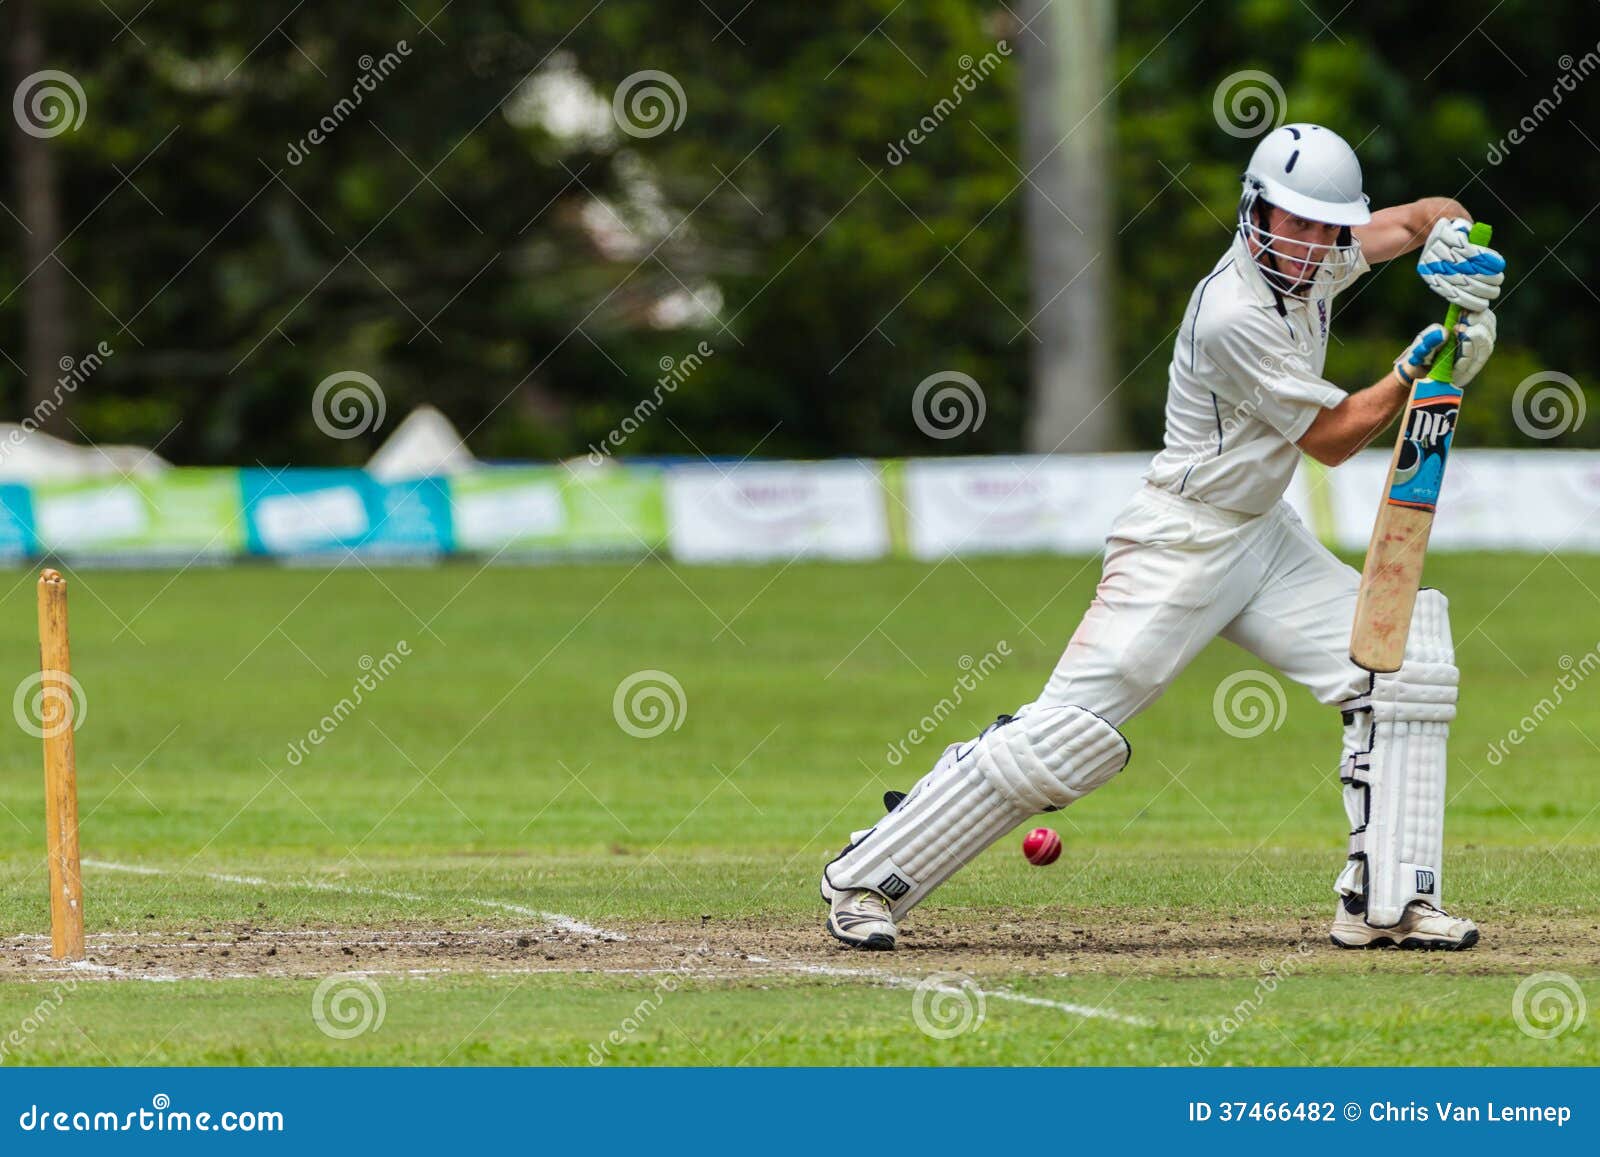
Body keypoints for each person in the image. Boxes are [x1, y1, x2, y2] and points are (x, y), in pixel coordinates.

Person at [821, 123, 1504, 952]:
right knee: (1067, 738)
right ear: (1256, 211)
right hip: (1182, 538)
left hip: (1263, 534)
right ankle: (866, 874)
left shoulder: (1320, 251)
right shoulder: (1231, 312)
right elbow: (1331, 440)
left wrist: (1455, 243)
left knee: (1402, 668)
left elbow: (1414, 219)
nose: (1309, 242)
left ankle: (1387, 901)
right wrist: (1416, 374)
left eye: (1325, 227)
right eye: (1293, 222)